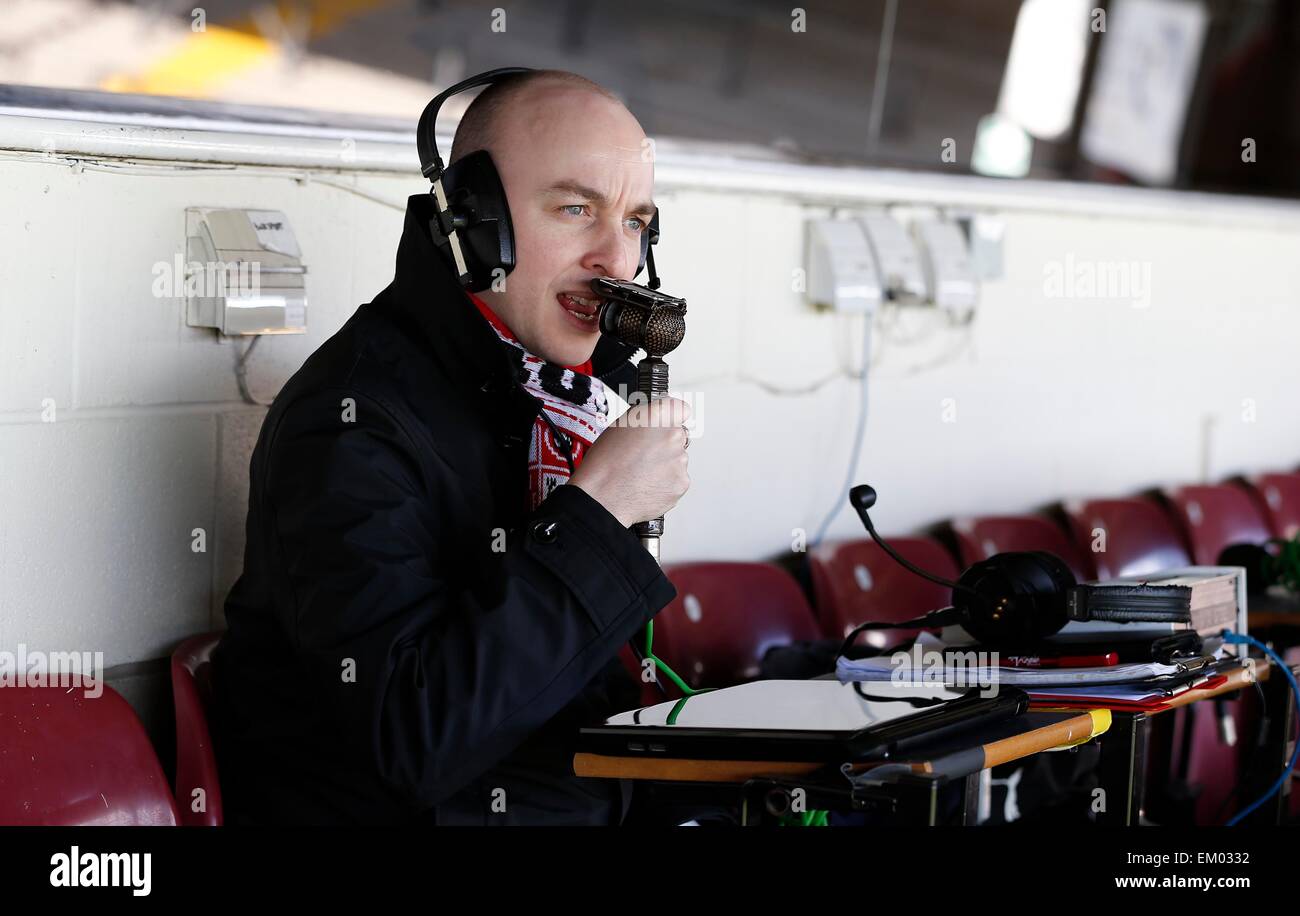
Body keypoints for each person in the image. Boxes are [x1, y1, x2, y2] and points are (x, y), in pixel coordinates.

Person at [212, 69, 692, 825]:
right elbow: (416, 737)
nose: (615, 259)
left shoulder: (566, 397)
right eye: (575, 208)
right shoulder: (348, 423)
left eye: (635, 222)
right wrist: (597, 511)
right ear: (476, 222)